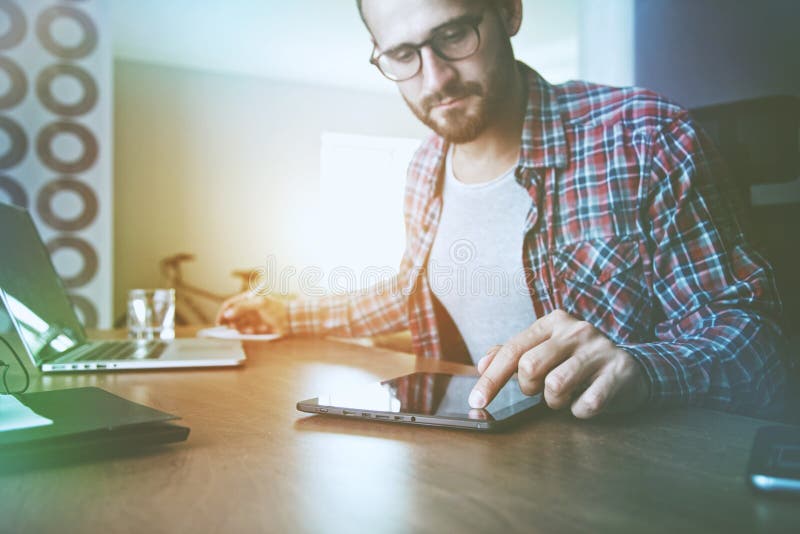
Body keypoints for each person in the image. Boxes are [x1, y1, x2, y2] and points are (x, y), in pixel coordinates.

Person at [217, 0, 786, 419]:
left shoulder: (646, 137)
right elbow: (407, 290)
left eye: (455, 34)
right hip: (473, 480)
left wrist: (643, 368)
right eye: (402, 54)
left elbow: (760, 342)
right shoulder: (423, 169)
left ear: (510, 12)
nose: (436, 77)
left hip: (629, 484)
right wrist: (287, 315)